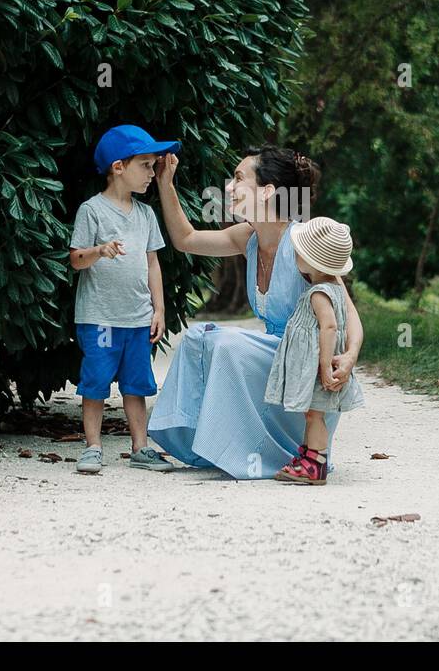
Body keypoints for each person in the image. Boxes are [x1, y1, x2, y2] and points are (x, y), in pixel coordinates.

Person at [147, 144, 364, 479]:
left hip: (302, 377)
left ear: (266, 192)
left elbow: (346, 315)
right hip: (276, 365)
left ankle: (275, 451)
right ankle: (200, 444)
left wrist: (348, 357)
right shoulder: (247, 237)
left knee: (228, 345)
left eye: (238, 178)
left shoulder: (303, 244)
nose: (229, 188)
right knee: (196, 337)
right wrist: (166, 183)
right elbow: (186, 239)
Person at [67, 124, 179, 475]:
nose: (152, 173)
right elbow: (75, 260)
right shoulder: (92, 211)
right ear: (118, 166)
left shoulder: (146, 214)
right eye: (146, 165)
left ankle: (140, 448)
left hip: (137, 318)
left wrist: (158, 308)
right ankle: (93, 448)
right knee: (96, 383)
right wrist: (99, 251)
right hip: (99, 317)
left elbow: (152, 263)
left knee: (136, 385)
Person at [265, 216, 364, 484]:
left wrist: (323, 366)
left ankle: (315, 464)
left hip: (318, 366)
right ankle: (308, 456)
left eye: (299, 253)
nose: (295, 256)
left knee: (314, 415)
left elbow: (329, 328)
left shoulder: (319, 293)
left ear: (311, 261)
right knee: (311, 413)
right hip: (319, 364)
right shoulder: (334, 288)